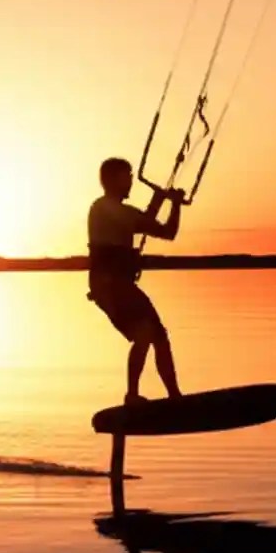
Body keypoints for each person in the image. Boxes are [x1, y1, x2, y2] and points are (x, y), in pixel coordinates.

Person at [87, 157, 185, 405]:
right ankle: (136, 395)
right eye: (127, 175)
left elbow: (153, 226)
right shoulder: (106, 208)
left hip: (117, 286)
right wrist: (171, 203)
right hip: (111, 286)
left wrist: (166, 201)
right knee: (147, 333)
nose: (131, 180)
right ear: (113, 180)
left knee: (156, 336)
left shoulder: (114, 210)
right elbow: (158, 228)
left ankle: (172, 396)